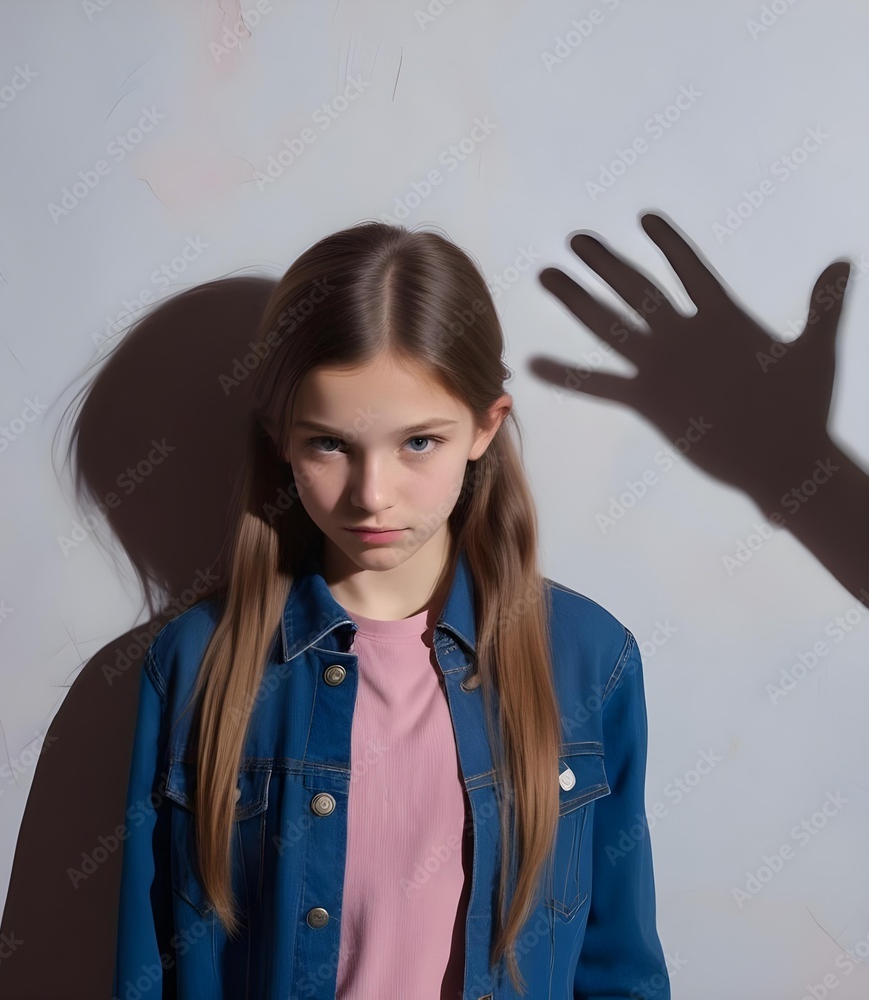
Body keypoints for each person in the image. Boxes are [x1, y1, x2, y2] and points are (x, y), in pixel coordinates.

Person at [112, 220, 670, 999]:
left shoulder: (588, 658)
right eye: (330, 444)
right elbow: (150, 970)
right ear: (279, 439)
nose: (372, 495)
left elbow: (620, 966)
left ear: (484, 427)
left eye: (418, 443)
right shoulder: (194, 665)